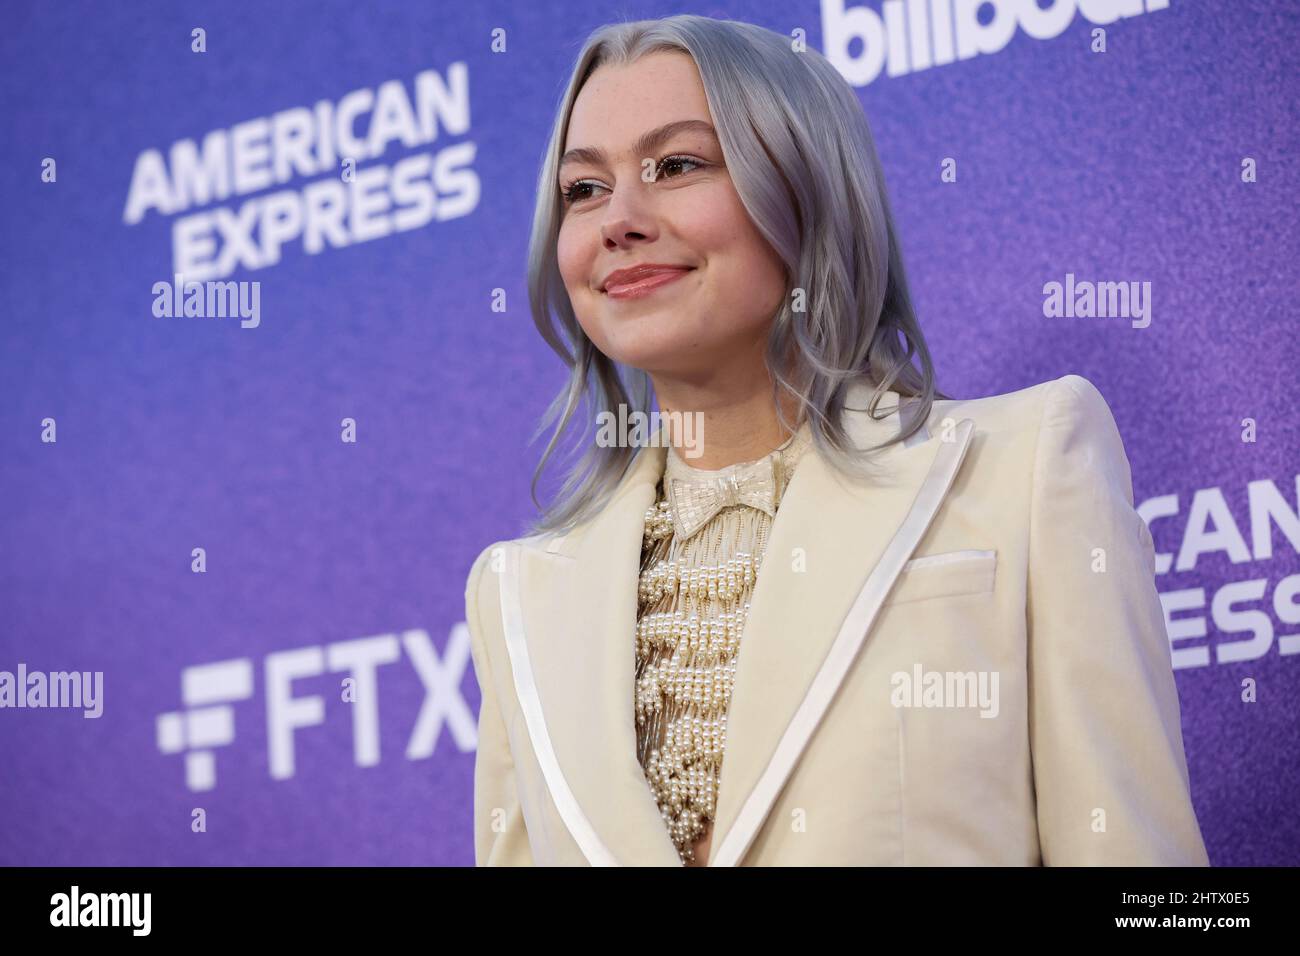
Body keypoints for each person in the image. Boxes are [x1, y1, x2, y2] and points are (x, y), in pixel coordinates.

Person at [463, 14, 1209, 866]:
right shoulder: (518, 598)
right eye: (583, 189)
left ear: (809, 191)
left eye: (678, 165)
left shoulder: (1025, 468)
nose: (618, 220)